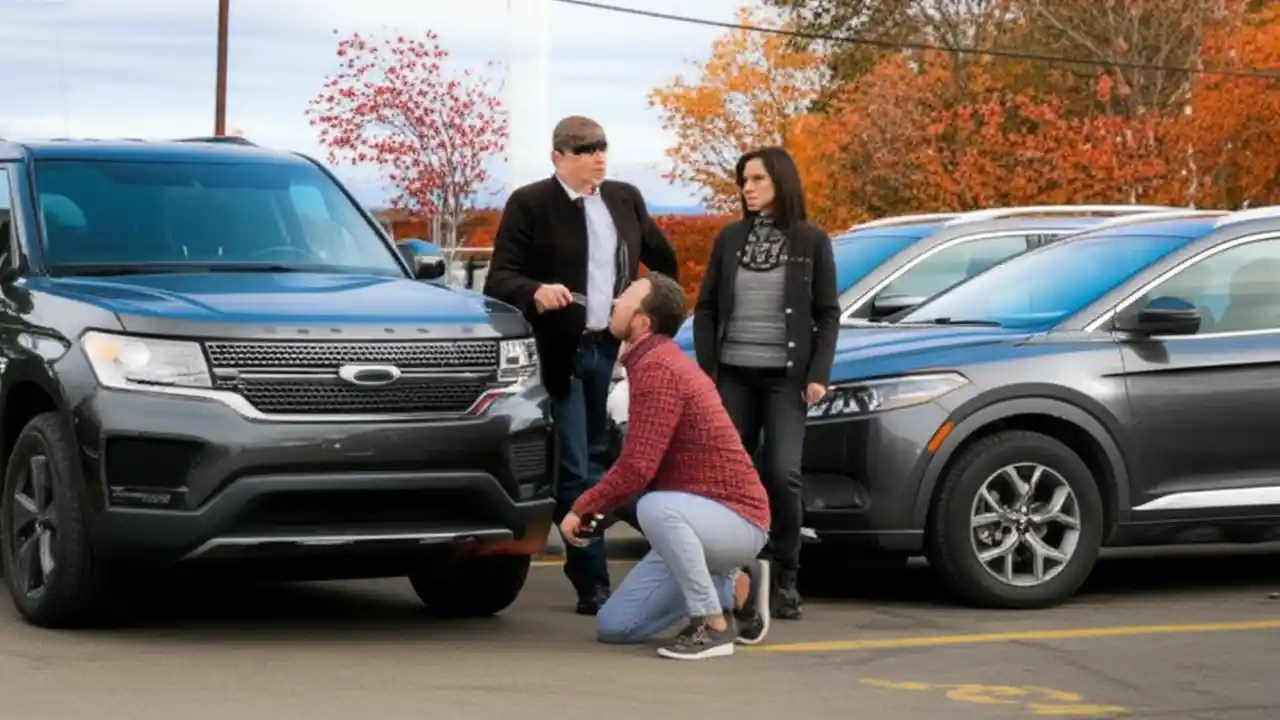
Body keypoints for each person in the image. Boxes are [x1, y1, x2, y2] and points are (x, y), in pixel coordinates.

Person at [484, 115, 679, 615]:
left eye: (601, 147)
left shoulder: (623, 199)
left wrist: (653, 319)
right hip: (561, 354)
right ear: (558, 157)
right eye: (584, 149)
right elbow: (499, 278)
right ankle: (593, 584)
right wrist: (535, 291)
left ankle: (662, 556)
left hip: (609, 353)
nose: (597, 156)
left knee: (606, 460)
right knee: (576, 466)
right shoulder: (531, 203)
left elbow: (662, 263)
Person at [560, 272, 774, 660]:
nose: (614, 303)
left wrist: (583, 507)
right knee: (615, 627)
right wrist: (602, 507)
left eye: (625, 298)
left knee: (653, 506)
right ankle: (736, 586)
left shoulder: (659, 368)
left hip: (737, 520)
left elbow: (638, 466)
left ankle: (713, 626)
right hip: (694, 523)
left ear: (643, 322)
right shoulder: (649, 362)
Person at [691, 146, 840, 620]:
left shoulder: (811, 241)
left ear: (780, 181)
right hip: (733, 375)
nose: (747, 188)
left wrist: (818, 373)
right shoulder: (730, 238)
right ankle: (732, 573)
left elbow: (827, 313)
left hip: (786, 379)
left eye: (755, 178)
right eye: (743, 180)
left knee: (781, 472)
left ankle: (788, 576)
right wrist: (709, 370)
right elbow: (708, 306)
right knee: (730, 474)